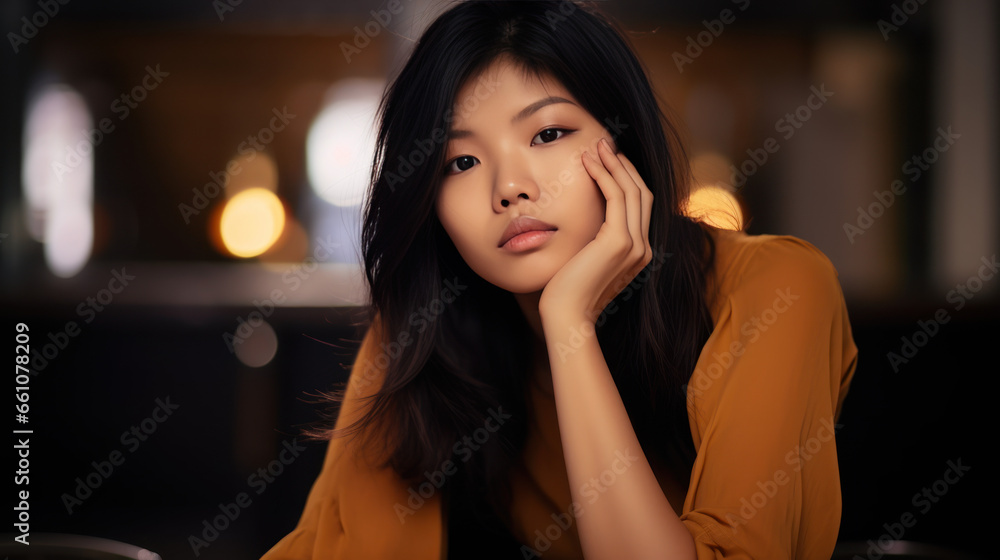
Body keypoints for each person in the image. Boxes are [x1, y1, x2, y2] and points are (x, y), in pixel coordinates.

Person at [261, 1, 858, 558]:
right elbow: (335, 546)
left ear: (623, 140)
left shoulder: (777, 286)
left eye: (548, 134)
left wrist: (570, 324)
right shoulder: (427, 326)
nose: (509, 187)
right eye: (460, 162)